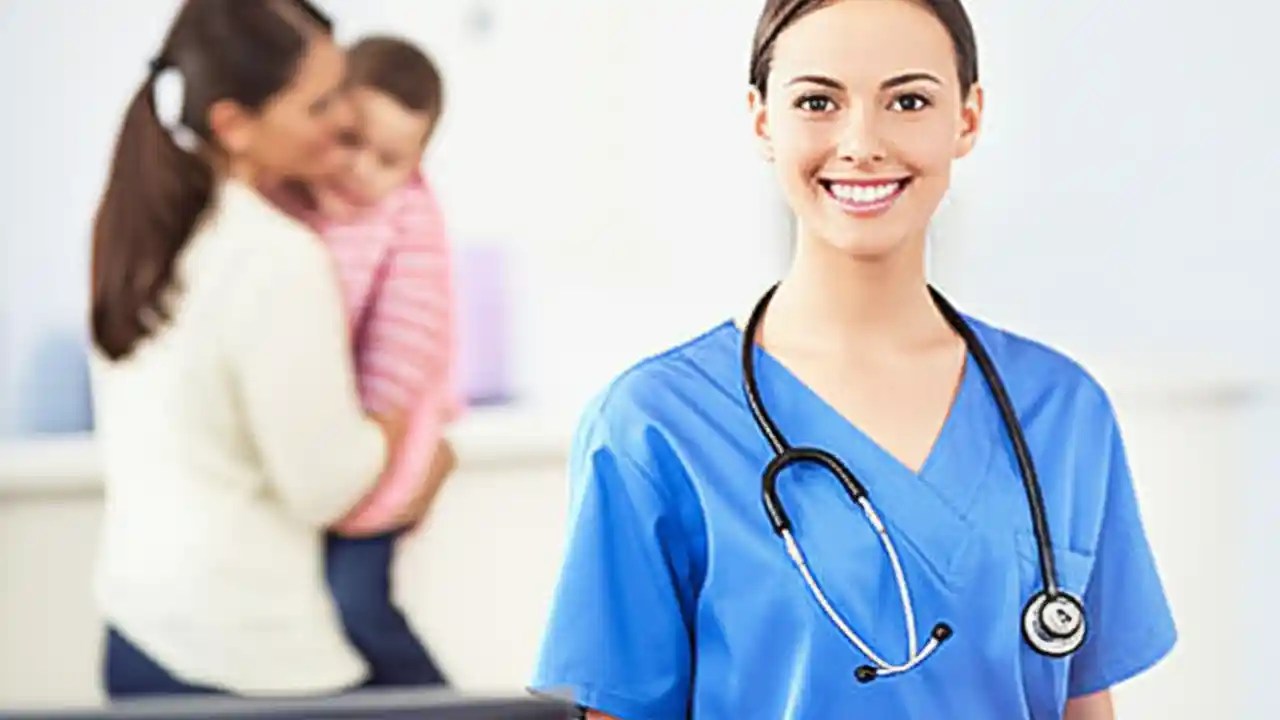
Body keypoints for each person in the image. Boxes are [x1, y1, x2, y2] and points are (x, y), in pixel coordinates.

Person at [529, 1, 1177, 718]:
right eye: (818, 101)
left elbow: (1083, 700)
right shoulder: (655, 425)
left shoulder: (1061, 412)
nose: (862, 143)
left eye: (908, 101)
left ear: (967, 118)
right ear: (762, 120)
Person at [88, 0, 431, 698]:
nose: (344, 120)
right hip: (249, 657)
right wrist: (397, 429)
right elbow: (324, 485)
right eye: (318, 105)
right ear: (233, 125)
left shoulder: (131, 230)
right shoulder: (276, 257)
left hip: (137, 635)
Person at [291, 35, 462, 688]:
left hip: (384, 450)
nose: (360, 168)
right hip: (316, 444)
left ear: (416, 164)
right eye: (349, 140)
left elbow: (405, 354)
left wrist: (357, 461)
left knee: (356, 603)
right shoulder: (287, 201)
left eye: (388, 159)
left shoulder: (409, 219)